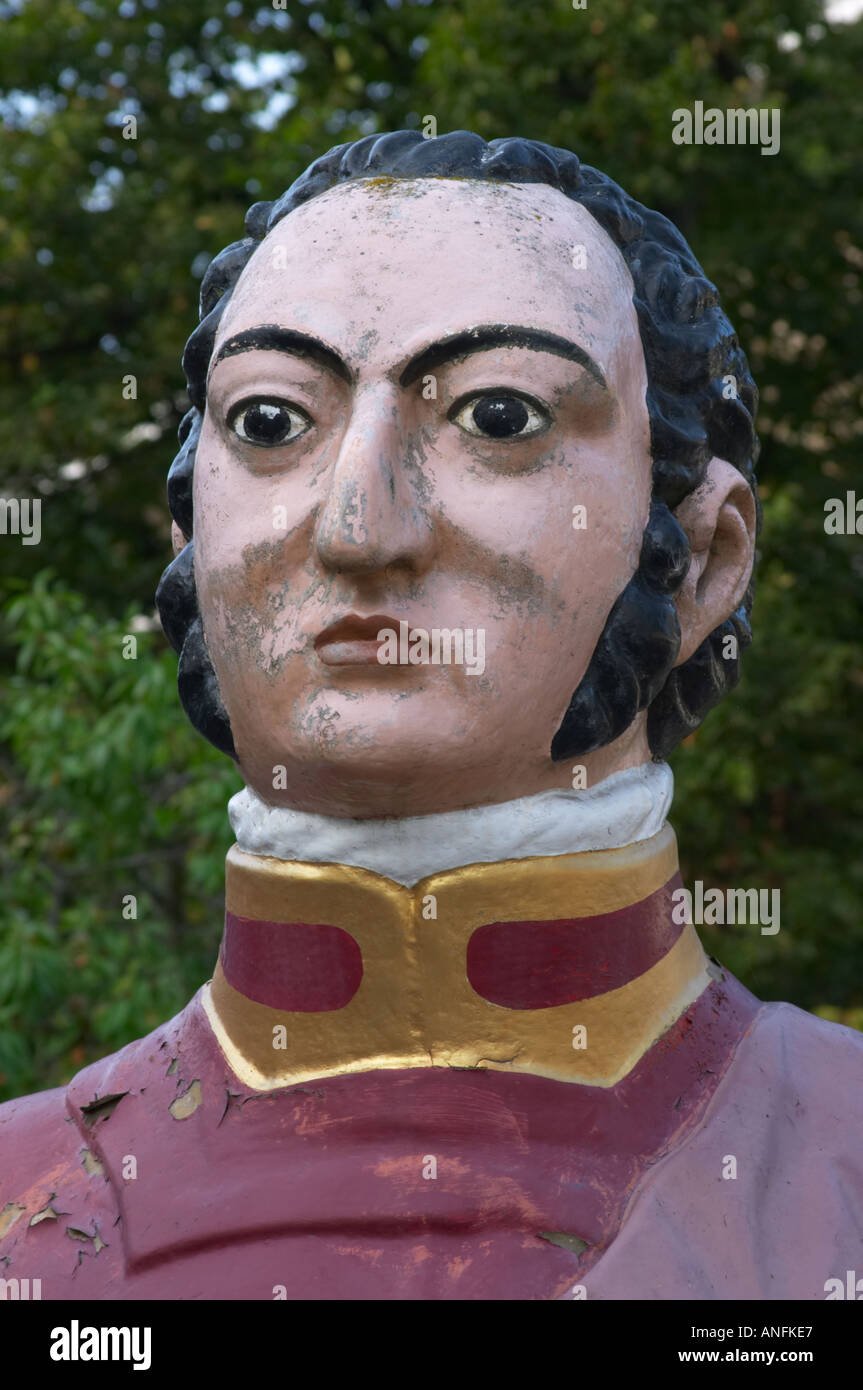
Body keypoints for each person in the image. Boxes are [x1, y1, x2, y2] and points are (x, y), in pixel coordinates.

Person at [1, 130, 860, 1300]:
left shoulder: (830, 1171)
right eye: (269, 421)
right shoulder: (27, 1204)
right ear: (191, 543)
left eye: (497, 416)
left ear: (705, 555)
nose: (359, 525)